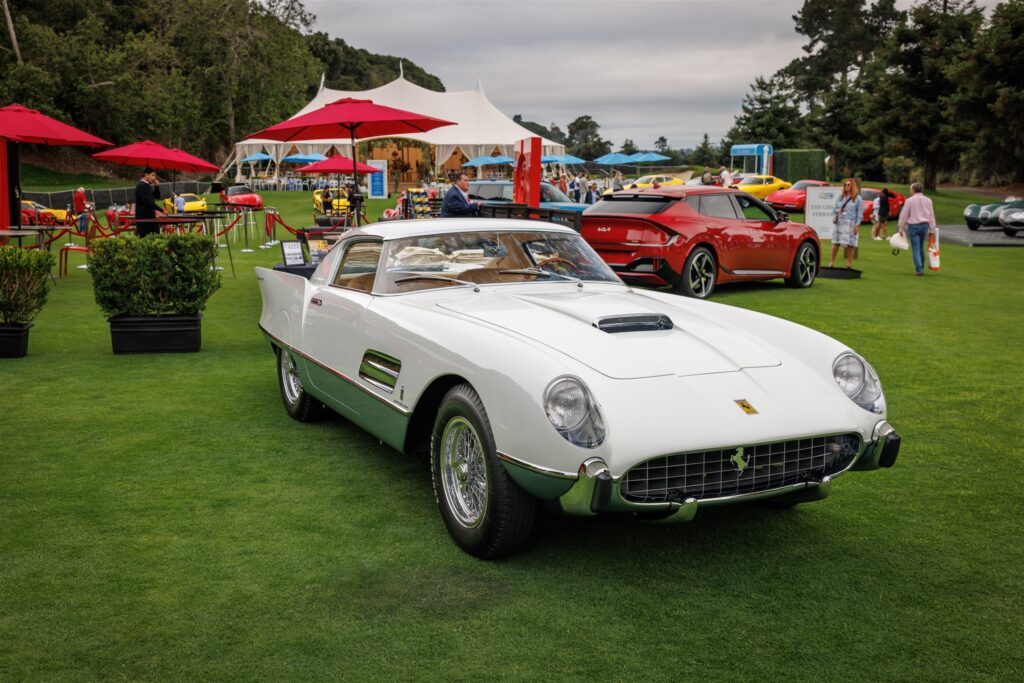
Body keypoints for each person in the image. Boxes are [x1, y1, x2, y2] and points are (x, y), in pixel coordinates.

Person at [897, 182, 937, 276]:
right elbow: (931, 215)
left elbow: (904, 215)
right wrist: (932, 228)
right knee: (921, 247)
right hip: (924, 226)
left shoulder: (909, 200)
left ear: (913, 190)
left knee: (915, 247)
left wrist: (901, 228)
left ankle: (919, 269)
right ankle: (921, 266)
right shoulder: (928, 200)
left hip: (913, 226)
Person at [829, 178, 863, 269]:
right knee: (836, 242)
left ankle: (849, 264)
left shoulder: (857, 198)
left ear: (853, 186)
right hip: (840, 222)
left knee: (850, 244)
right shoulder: (840, 197)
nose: (846, 186)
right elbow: (834, 209)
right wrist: (838, 210)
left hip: (850, 223)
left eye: (848, 185)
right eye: (845, 185)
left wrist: (857, 225)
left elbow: (859, 214)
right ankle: (831, 262)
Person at [134, 168, 162, 238]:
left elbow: (157, 197)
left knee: (155, 236)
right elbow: (148, 202)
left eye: (155, 176)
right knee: (145, 238)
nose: (154, 178)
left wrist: (156, 187)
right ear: (146, 175)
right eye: (152, 175)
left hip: (150, 217)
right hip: (144, 218)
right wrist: (161, 210)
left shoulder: (147, 186)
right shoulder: (141, 186)